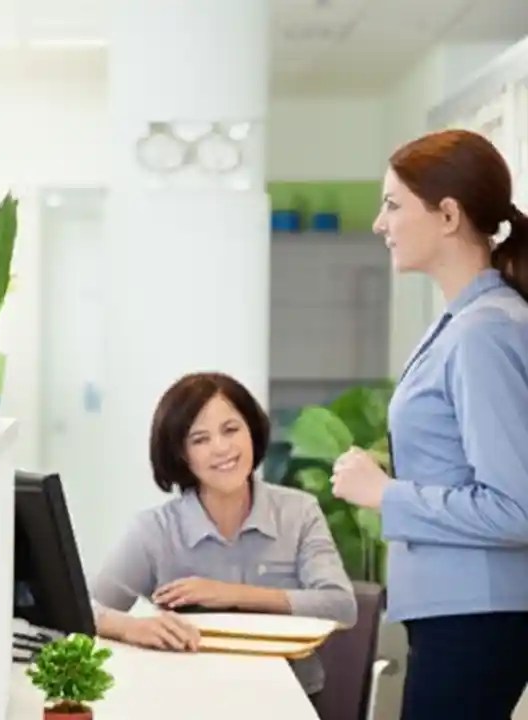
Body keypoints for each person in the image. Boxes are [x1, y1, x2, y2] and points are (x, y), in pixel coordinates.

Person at [330, 129, 528, 720]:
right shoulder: (465, 320)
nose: (378, 223)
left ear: (447, 215)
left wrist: (385, 493)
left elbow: (517, 507)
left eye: (393, 205)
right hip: (458, 610)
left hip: (477, 614)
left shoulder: (485, 329)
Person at [91, 372, 356, 699]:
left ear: (252, 432)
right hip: (187, 700)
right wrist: (131, 627)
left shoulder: (299, 512)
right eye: (199, 439)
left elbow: (341, 606)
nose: (221, 448)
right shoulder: (155, 529)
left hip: (289, 700)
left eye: (231, 430)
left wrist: (230, 594)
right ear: (180, 455)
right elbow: (83, 610)